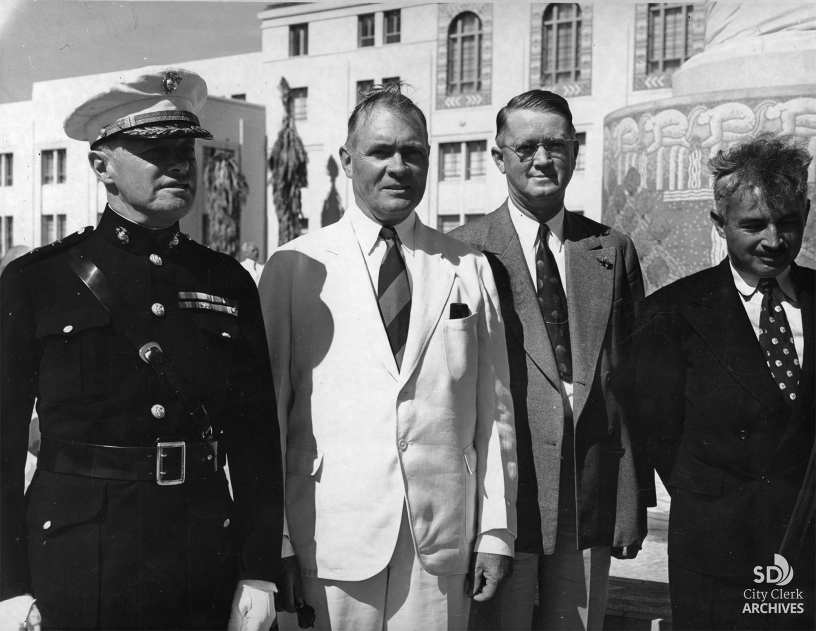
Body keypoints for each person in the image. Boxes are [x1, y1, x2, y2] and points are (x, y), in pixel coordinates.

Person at [0, 67, 283, 631]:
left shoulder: (227, 282)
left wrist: (258, 571)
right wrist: (7, 587)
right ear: (101, 166)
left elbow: (255, 438)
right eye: (157, 149)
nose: (179, 163)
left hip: (200, 558)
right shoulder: (37, 281)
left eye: (186, 149)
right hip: (78, 565)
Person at [259, 83, 517, 631]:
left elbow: (495, 416)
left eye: (413, 152)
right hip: (329, 538)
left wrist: (496, 531)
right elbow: (268, 419)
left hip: (438, 544)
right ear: (347, 160)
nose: (398, 167)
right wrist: (276, 540)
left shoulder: (468, 267)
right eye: (380, 151)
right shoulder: (293, 267)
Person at [451, 90, 650, 631]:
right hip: (503, 497)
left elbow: (631, 382)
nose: (542, 159)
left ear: (575, 150)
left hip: (586, 492)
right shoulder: (462, 251)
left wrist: (630, 502)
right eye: (526, 147)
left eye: (556, 145)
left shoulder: (611, 248)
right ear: (499, 157)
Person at [634, 133, 816, 630]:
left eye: (788, 222)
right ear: (719, 223)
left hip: (807, 550)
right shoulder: (670, 313)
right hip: (717, 553)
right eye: (753, 225)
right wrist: (715, 500)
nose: (774, 241)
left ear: (806, 212)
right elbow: (659, 433)